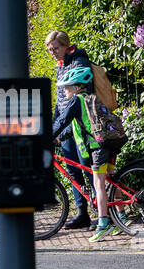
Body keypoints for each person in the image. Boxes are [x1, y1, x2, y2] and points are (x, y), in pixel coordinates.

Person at [51, 65, 121, 243]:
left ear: (75, 87)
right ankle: (122, 218)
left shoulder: (76, 101)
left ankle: (103, 224)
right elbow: (75, 127)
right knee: (109, 180)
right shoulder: (90, 99)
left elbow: (61, 120)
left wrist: (45, 136)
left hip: (98, 146)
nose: (64, 90)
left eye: (67, 86)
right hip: (110, 141)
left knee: (98, 183)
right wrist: (58, 139)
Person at [45, 30, 94, 229]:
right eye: (50, 50)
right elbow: (60, 102)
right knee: (74, 172)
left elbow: (80, 96)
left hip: (80, 127)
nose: (53, 52)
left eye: (56, 48)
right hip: (66, 129)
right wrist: (53, 127)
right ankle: (82, 213)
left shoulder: (79, 61)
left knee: (88, 169)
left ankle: (101, 212)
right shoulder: (61, 65)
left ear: (66, 45)